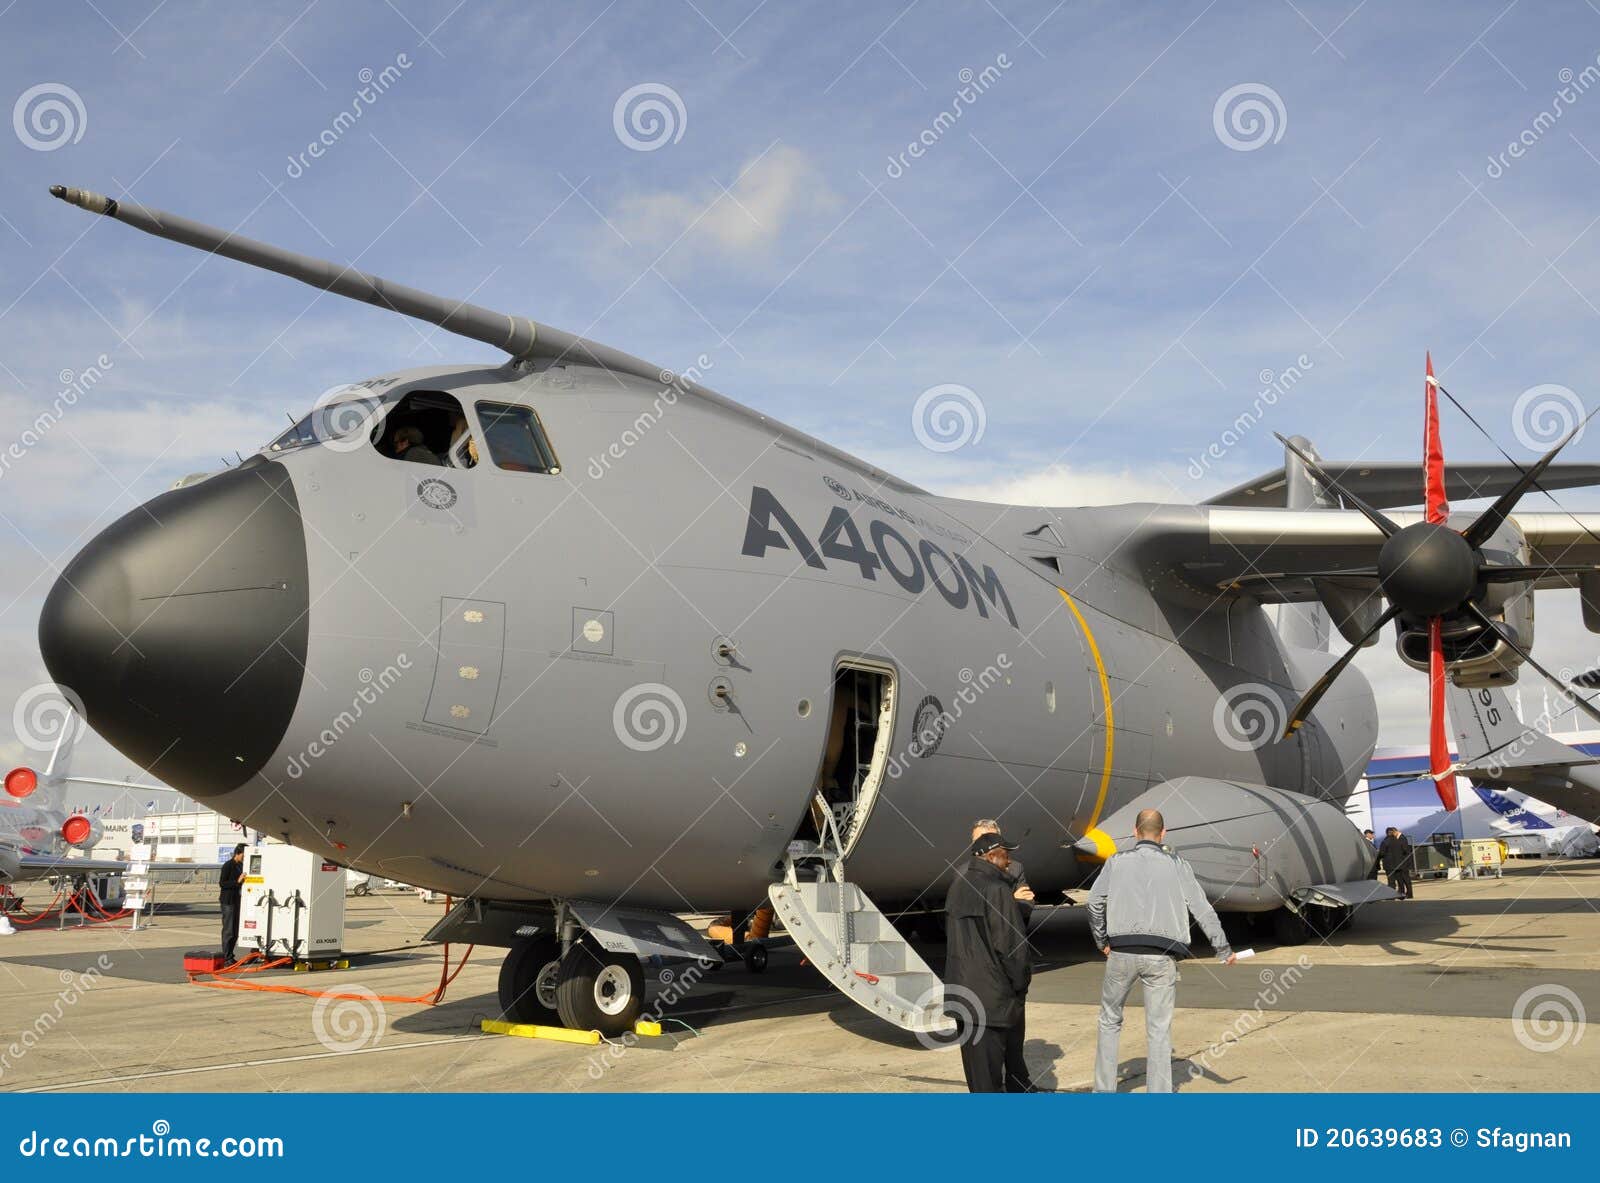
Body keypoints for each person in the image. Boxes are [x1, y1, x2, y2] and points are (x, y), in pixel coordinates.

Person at [1087, 809, 1236, 1093]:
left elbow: (1094, 901)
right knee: (1158, 1029)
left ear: (1135, 832)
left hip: (1121, 953)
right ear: (1163, 834)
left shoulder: (1116, 862)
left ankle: (1103, 1093)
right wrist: (1222, 947)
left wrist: (1101, 940)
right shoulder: (1178, 863)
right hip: (1162, 956)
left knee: (1109, 1020)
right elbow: (1201, 908)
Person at [943, 831, 1033, 1092]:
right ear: (992, 857)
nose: (1009, 863)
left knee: (977, 1077)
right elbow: (1011, 948)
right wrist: (1021, 983)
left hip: (963, 995)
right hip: (991, 1001)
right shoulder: (997, 890)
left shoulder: (958, 885)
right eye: (1006, 856)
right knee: (991, 1081)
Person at [972, 817, 1035, 921]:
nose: (981, 844)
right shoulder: (965, 873)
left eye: (989, 839)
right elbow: (975, 910)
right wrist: (1012, 900)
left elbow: (1027, 905)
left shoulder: (1015, 868)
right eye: (977, 840)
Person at [219, 843, 246, 962]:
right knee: (228, 930)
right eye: (243, 855)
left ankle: (230, 955)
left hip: (236, 900)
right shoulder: (228, 865)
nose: (244, 858)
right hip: (228, 901)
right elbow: (222, 883)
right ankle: (226, 956)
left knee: (235, 930)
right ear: (237, 854)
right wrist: (237, 881)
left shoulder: (241, 865)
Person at [1378, 826, 1415, 899]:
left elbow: (1381, 853)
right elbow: (1404, 850)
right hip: (1399, 864)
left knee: (1391, 881)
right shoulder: (1398, 841)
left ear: (1387, 833)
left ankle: (1392, 896)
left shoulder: (1385, 842)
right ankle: (1401, 895)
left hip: (1390, 865)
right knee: (1400, 880)